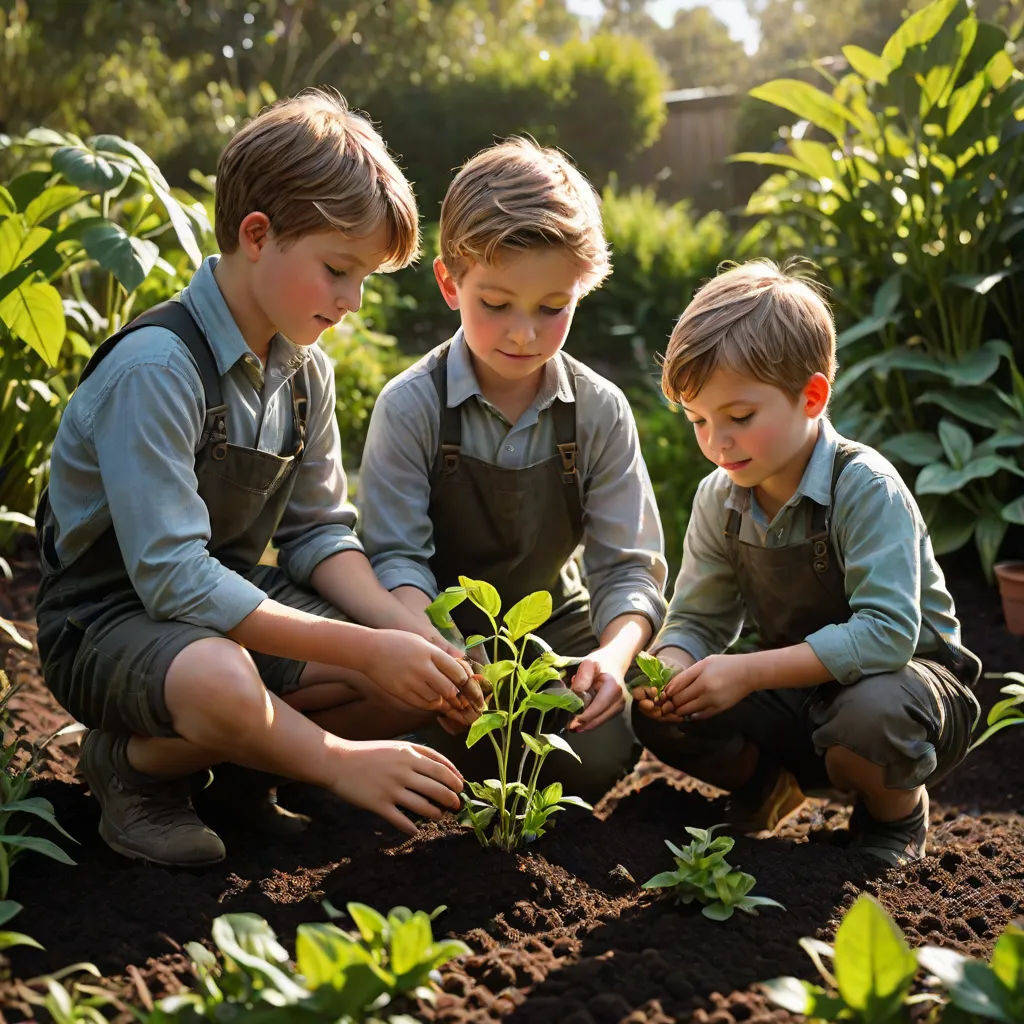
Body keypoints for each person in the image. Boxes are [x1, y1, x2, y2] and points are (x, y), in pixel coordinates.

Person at [34, 89, 479, 868]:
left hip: (226, 608)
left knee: (404, 677)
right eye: (338, 270)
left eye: (364, 278)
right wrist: (345, 754)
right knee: (222, 679)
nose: (351, 301)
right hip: (105, 622)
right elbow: (170, 579)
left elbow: (316, 534)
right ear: (257, 235)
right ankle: (130, 771)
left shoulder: (305, 373)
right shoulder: (158, 369)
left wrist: (407, 637)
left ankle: (236, 777)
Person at [630, 258, 981, 865]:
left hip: (911, 688)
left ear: (811, 396)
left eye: (739, 417)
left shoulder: (865, 487)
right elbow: (696, 619)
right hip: (802, 690)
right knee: (664, 712)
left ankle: (894, 815)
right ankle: (767, 789)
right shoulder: (721, 496)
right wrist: (671, 668)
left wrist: (746, 672)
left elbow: (889, 634)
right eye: (699, 420)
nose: (717, 441)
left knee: (873, 711)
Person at [358, 138, 667, 801]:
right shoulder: (410, 407)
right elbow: (395, 561)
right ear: (450, 282)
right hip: (432, 636)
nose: (524, 333)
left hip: (552, 630)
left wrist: (612, 660)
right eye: (496, 305)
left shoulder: (599, 413)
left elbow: (628, 567)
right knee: (398, 712)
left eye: (552, 308)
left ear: (581, 290)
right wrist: (443, 654)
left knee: (599, 743)